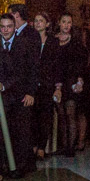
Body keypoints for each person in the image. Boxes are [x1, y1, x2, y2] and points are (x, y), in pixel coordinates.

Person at [0, 14, 37, 178]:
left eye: (9, 26)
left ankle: (20, 166)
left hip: (21, 94)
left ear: (15, 27)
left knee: (21, 131)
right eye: (3, 26)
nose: (6, 30)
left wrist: (31, 92)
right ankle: (2, 166)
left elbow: (30, 70)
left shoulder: (25, 44)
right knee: (0, 130)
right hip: (2, 96)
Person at [55, 12, 90, 156]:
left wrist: (79, 81)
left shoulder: (75, 42)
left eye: (69, 22)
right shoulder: (53, 41)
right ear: (59, 23)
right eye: (64, 22)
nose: (66, 25)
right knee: (61, 114)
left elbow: (81, 64)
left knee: (70, 112)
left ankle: (71, 146)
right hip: (57, 81)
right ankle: (63, 144)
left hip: (71, 81)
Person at [32, 12, 62, 160]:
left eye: (41, 21)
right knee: (33, 116)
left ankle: (42, 147)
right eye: (36, 21)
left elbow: (57, 65)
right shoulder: (30, 40)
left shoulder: (53, 42)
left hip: (47, 83)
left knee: (45, 116)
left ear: (47, 24)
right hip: (33, 83)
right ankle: (33, 145)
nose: (38, 23)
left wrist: (57, 87)